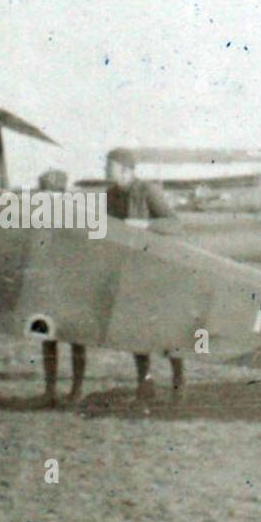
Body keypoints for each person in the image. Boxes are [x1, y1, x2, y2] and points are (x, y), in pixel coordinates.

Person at [103, 149, 185, 404]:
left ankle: (178, 382)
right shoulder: (110, 196)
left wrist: (144, 226)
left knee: (168, 329)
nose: (105, 172)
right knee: (135, 330)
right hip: (129, 271)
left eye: (109, 167)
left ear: (126, 170)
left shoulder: (148, 191)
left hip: (157, 271)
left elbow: (174, 224)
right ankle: (145, 383)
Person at [34, 169, 87, 406]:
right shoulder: (41, 217)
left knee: (76, 338)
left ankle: (76, 390)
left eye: (49, 193)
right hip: (52, 284)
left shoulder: (77, 216)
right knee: (48, 338)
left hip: (74, 284)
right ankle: (50, 389)